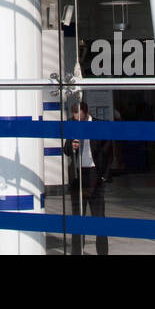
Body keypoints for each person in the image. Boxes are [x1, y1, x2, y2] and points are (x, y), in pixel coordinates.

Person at [65, 100, 112, 255]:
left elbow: (108, 152)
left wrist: (103, 177)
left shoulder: (99, 126)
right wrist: (72, 146)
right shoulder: (73, 125)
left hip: (94, 175)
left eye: (79, 117)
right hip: (78, 176)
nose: (77, 120)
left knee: (99, 219)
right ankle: (77, 252)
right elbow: (66, 150)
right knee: (77, 218)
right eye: (75, 117)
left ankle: (102, 252)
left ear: (86, 113)